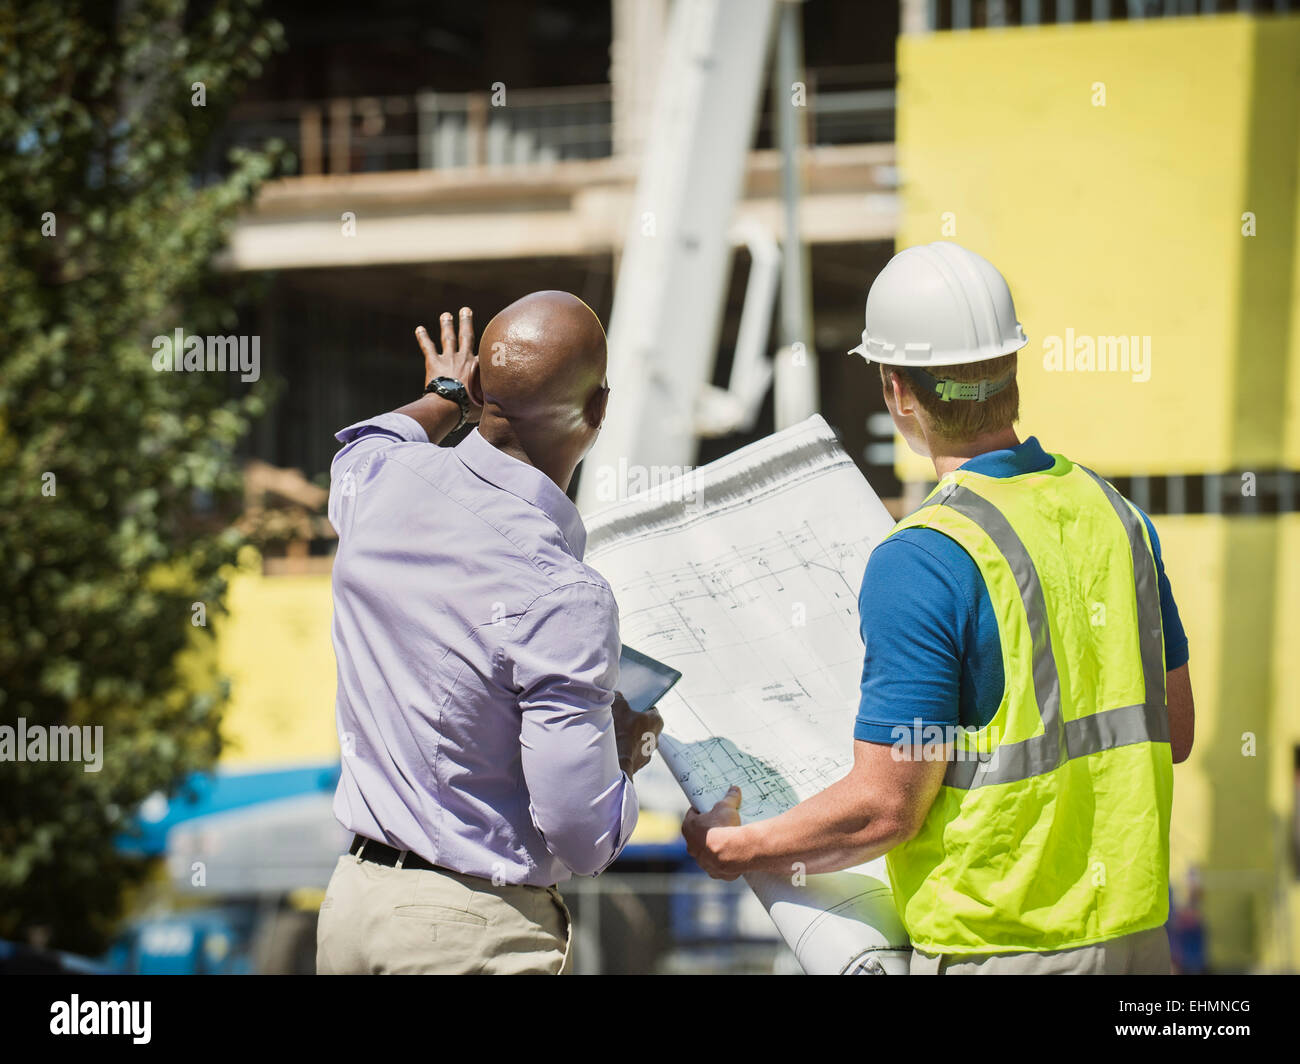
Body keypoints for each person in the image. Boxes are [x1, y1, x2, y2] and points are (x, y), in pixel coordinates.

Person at [682, 242, 1193, 975]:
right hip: (1138, 943)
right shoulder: (1117, 516)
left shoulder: (924, 557)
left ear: (897, 388)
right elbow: (1174, 730)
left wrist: (741, 845)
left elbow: (885, 809)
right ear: (1011, 368)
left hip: (1002, 949)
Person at [316, 291, 663, 975]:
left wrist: (444, 396)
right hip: (464, 933)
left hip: (351, 906)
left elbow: (374, 438)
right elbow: (581, 833)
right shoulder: (563, 594)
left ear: (477, 388)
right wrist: (622, 757)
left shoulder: (375, 482)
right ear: (598, 411)